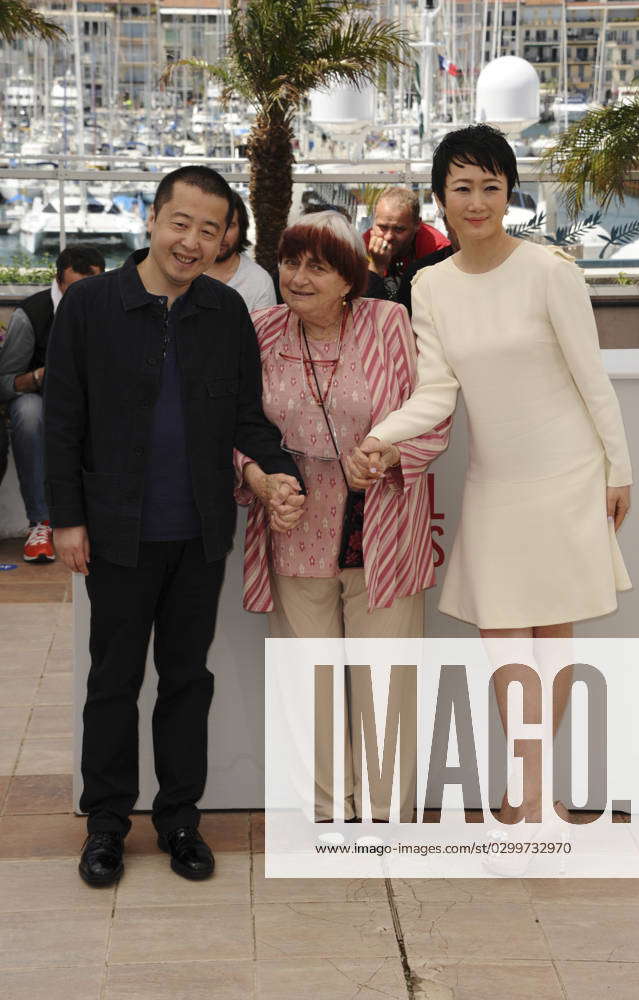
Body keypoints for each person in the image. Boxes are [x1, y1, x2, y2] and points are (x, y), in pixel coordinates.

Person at [355, 124, 632, 830]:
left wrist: (616, 470)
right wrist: (382, 437)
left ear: (509, 192)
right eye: (461, 188)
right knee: (504, 640)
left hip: (567, 473)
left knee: (550, 637)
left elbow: (590, 379)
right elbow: (436, 392)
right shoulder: (431, 285)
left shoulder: (550, 271)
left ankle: (534, 793)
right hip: (494, 480)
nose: (475, 201)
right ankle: (533, 788)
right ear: (439, 200)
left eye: (489, 186)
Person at [43, 166, 304, 887]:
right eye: (180, 223)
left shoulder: (224, 314)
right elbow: (62, 423)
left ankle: (179, 819)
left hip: (198, 532)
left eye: (210, 229)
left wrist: (277, 470)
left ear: (226, 239)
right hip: (116, 531)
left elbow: (247, 417)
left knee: (188, 679)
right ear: (152, 221)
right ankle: (105, 825)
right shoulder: (91, 306)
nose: (192, 241)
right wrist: (65, 517)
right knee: (113, 682)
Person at [234, 210, 451, 824]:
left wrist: (387, 453)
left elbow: (433, 410)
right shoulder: (259, 330)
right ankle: (325, 809)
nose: (298, 278)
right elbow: (234, 423)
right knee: (310, 683)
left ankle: (385, 812)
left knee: (387, 683)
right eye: (290, 262)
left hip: (380, 520)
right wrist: (258, 475)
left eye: (317, 266)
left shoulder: (388, 322)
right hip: (294, 521)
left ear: (350, 278)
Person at [0, 244, 105, 562]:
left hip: (93, 401)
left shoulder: (111, 310)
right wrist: (39, 378)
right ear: (58, 281)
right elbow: (4, 384)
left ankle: (106, 520)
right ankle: (41, 523)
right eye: (76, 289)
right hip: (41, 402)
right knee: (29, 413)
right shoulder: (31, 315)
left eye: (93, 288)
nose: (84, 297)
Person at [363, 186, 450, 301]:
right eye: (382, 227)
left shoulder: (437, 249)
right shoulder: (363, 244)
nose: (389, 236)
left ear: (417, 224)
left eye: (399, 229)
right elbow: (359, 307)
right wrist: (375, 267)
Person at [206, 189, 276, 312]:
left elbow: (264, 331)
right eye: (212, 225)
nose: (221, 235)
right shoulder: (183, 271)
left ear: (241, 228)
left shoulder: (259, 282)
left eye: (229, 226)